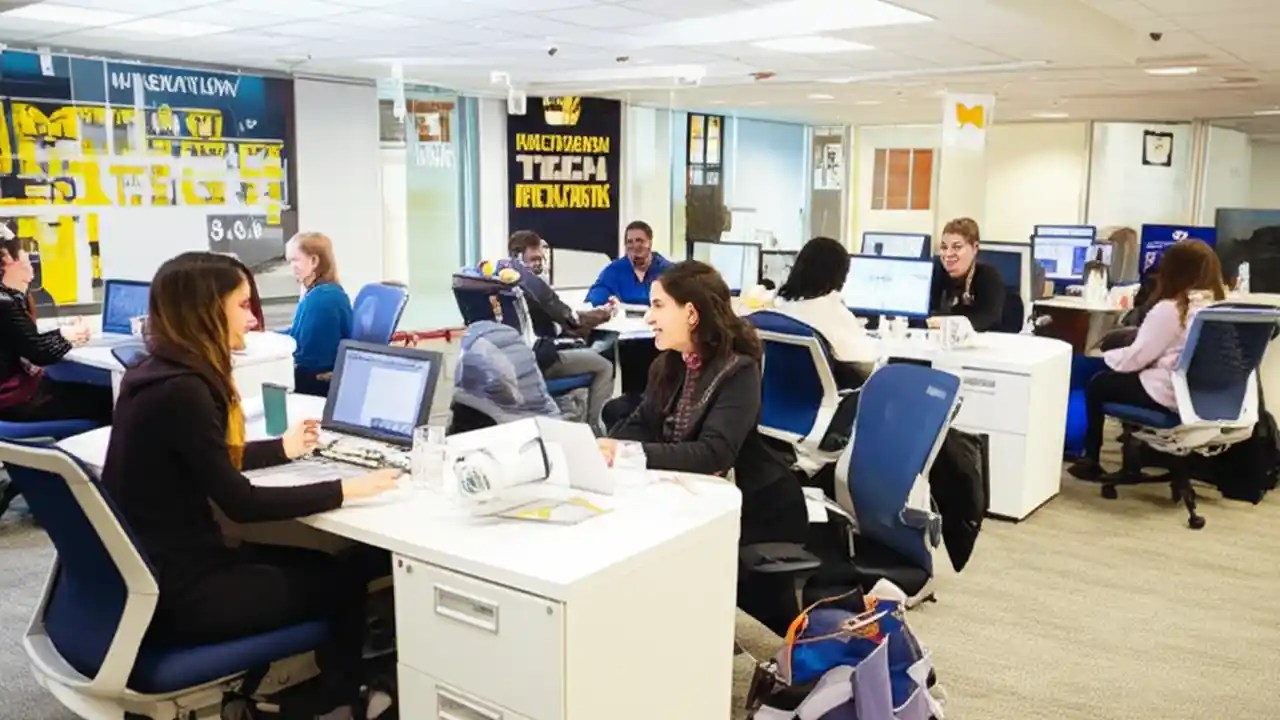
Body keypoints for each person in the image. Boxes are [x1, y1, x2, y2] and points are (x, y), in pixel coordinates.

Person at [101, 251, 398, 719]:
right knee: (344, 576)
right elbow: (241, 502)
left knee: (329, 562)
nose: (252, 316)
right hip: (188, 591)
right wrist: (345, 489)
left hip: (156, 574)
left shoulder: (151, 373)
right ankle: (340, 703)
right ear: (207, 310)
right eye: (241, 305)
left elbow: (206, 458)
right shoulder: (185, 390)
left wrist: (281, 450)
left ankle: (319, 687)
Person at [599, 260, 807, 635]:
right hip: (685, 492)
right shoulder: (668, 364)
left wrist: (628, 454)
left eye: (659, 306)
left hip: (756, 505)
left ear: (691, 313)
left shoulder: (738, 370)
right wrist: (609, 445)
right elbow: (643, 422)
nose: (649, 318)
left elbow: (715, 453)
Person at [1068, 240, 1226, 480]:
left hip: (1166, 393)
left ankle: (1090, 458)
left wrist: (1104, 354)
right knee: (1100, 372)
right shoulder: (1217, 305)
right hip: (1200, 395)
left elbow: (1135, 359)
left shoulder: (1172, 309)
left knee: (1097, 381)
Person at [507, 230, 614, 433]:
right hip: (540, 361)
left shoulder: (502, 280)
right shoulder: (531, 283)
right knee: (605, 366)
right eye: (535, 259)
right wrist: (604, 314)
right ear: (518, 256)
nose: (539, 264)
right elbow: (571, 319)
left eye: (541, 259)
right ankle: (596, 432)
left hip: (516, 365)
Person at [0, 233, 112, 425]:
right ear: (6, 259)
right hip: (17, 402)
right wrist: (67, 336)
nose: (32, 273)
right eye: (26, 261)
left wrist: (63, 334)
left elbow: (25, 341)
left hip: (20, 394)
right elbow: (40, 353)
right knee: (115, 400)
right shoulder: (5, 304)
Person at [772, 236, 877, 388]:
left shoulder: (777, 307)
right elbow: (866, 361)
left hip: (776, 398)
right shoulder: (835, 312)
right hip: (822, 403)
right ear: (841, 275)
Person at [285, 232, 353, 397]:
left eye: (295, 260)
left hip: (314, 382)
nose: (291, 267)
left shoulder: (322, 299)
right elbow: (297, 333)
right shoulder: (322, 292)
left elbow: (307, 357)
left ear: (314, 261)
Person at [930, 217, 1005, 332]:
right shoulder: (936, 272)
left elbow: (987, 319)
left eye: (957, 247)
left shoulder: (989, 277)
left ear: (975, 248)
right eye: (944, 247)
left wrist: (945, 323)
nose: (948, 254)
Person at [584, 220, 673, 306]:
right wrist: (608, 302)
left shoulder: (668, 271)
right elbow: (595, 297)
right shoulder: (615, 270)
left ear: (650, 242)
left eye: (640, 240)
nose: (635, 246)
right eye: (630, 242)